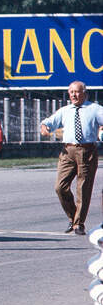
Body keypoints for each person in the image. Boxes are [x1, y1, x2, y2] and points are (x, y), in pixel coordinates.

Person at [39, 81, 103, 235]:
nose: (74, 95)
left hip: (87, 151)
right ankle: (73, 216)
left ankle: (78, 223)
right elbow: (47, 123)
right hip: (67, 151)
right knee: (60, 187)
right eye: (71, 92)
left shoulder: (94, 109)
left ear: (84, 93)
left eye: (77, 92)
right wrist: (45, 128)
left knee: (83, 188)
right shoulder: (65, 110)